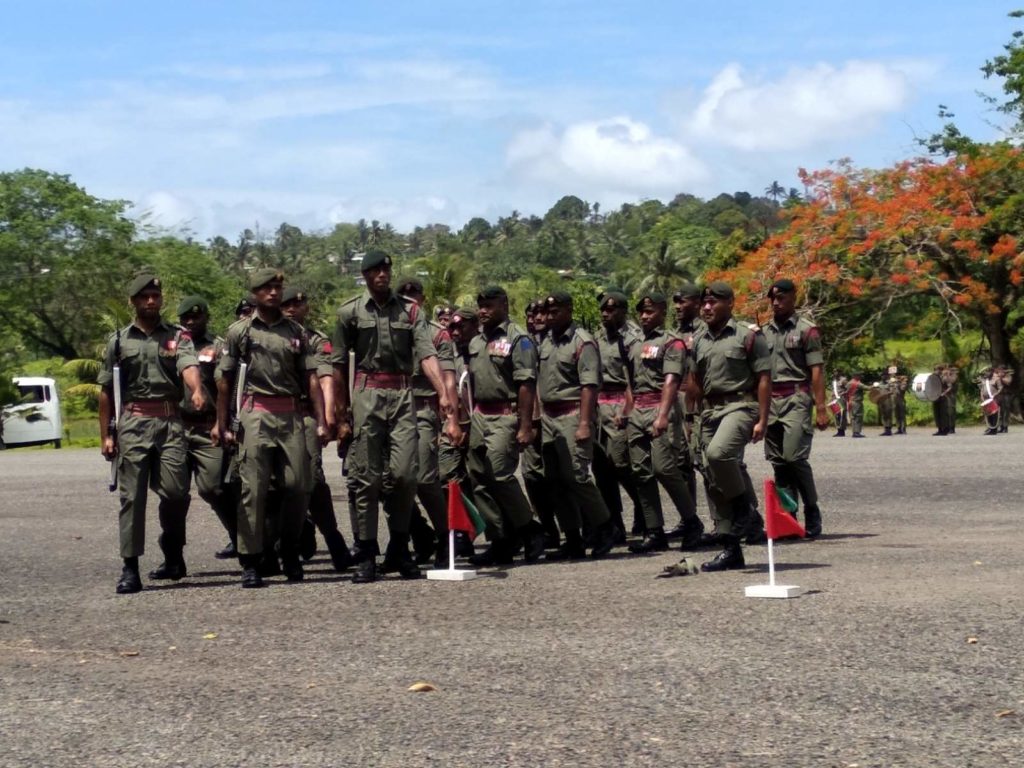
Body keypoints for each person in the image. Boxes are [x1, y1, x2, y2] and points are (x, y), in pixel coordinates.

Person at [332, 251, 460, 584]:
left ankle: (400, 545)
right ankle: (367, 553)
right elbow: (336, 364)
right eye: (375, 270)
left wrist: (443, 392)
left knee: (406, 475)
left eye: (386, 269)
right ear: (364, 274)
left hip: (404, 394)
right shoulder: (349, 312)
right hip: (367, 393)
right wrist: (342, 413)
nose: (382, 275)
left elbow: (427, 353)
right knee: (367, 478)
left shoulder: (411, 311)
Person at [215, 268, 326, 589]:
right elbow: (224, 381)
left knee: (298, 485)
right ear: (255, 293)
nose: (274, 293)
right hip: (255, 413)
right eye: (267, 288)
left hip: (290, 414)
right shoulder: (240, 332)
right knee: (253, 490)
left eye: (278, 287)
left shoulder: (296, 331)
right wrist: (222, 424)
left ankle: (289, 547)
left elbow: (311, 378)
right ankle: (251, 560)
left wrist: (320, 421)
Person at [98, 271, 205, 594]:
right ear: (133, 301)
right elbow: (106, 391)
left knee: (175, 493)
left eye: (155, 296)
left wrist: (196, 390)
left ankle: (172, 551)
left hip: (170, 423)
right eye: (144, 296)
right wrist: (106, 434)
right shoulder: (118, 340)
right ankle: (130, 568)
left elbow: (189, 364)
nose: (150, 301)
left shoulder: (177, 336)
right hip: (132, 423)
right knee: (133, 497)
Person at [686, 282, 770, 572]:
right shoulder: (698, 340)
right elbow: (695, 383)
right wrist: (689, 418)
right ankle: (731, 548)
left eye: (714, 302)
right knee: (711, 475)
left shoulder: (748, 336)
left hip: (740, 406)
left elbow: (763, 378)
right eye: (704, 303)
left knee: (720, 454)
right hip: (709, 410)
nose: (707, 307)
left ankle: (745, 510)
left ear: (731, 303)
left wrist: (763, 418)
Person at [465, 286, 547, 566]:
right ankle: (500, 539)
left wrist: (525, 426)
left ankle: (531, 528)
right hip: (480, 415)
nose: (483, 310)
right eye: (480, 305)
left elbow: (526, 383)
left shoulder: (518, 338)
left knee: (500, 475)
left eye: (489, 305)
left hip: (505, 414)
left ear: (504, 304)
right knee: (478, 479)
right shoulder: (476, 341)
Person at [536, 291, 617, 559]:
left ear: (569, 310)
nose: (549, 316)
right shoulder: (545, 341)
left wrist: (584, 423)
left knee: (578, 476)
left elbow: (589, 385)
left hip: (572, 414)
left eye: (555, 311)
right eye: (547, 312)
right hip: (549, 417)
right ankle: (572, 537)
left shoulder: (582, 342)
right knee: (554, 481)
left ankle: (606, 527)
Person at [280, 286, 354, 572]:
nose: (291, 309)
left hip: (305, 414)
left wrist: (327, 417)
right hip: (272, 415)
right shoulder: (269, 337)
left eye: (297, 305)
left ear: (305, 308)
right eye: (286, 304)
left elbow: (326, 377)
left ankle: (331, 537)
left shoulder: (315, 340)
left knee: (311, 478)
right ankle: (291, 538)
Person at [626, 291, 704, 554]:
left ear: (662, 313)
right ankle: (654, 530)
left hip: (661, 408)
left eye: (651, 311)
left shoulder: (673, 342)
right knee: (641, 472)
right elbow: (630, 379)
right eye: (642, 312)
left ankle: (692, 522)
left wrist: (662, 414)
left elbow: (671, 380)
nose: (645, 316)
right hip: (637, 410)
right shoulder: (634, 341)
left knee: (664, 468)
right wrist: (627, 410)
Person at [396, 277, 459, 567]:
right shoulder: (389, 329)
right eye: (403, 294)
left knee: (424, 478)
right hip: (391, 411)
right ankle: (416, 536)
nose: (409, 299)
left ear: (422, 298)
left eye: (414, 294)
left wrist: (451, 419)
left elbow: (447, 376)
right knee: (391, 481)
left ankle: (447, 538)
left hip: (422, 409)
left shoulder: (436, 334)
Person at [173, 296, 238, 565]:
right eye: (185, 317)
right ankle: (173, 556)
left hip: (207, 427)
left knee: (213, 489)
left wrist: (221, 423)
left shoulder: (219, 348)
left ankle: (240, 539)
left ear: (206, 318)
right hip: (176, 427)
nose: (190, 322)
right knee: (173, 495)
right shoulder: (170, 347)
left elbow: (229, 389)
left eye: (196, 317)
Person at [762, 278, 829, 538]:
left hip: (796, 397)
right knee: (778, 463)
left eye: (782, 298)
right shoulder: (763, 332)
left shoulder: (806, 330)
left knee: (794, 457)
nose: (776, 303)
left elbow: (816, 370)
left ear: (793, 298)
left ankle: (812, 508)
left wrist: (820, 407)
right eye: (773, 299)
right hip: (771, 401)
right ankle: (788, 516)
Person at [593, 290, 641, 540]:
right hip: (600, 405)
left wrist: (628, 410)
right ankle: (615, 523)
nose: (605, 313)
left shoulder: (633, 337)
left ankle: (644, 510)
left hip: (622, 402)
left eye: (611, 309)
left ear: (623, 311)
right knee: (602, 468)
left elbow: (634, 378)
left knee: (622, 463)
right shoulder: (597, 338)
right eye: (603, 309)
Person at [847, 372, 865, 438]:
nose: (860, 377)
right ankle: (857, 432)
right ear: (856, 376)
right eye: (859, 376)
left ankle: (854, 432)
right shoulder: (858, 384)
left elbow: (846, 391)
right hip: (857, 402)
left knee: (853, 417)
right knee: (858, 417)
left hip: (850, 401)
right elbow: (867, 388)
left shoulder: (848, 383)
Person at [831, 372, 849, 436]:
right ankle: (838, 430)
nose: (834, 373)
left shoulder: (843, 380)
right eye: (834, 372)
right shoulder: (834, 380)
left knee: (842, 414)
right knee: (836, 415)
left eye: (836, 371)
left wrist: (843, 393)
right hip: (834, 399)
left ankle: (842, 431)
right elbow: (834, 390)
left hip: (841, 399)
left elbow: (848, 389)